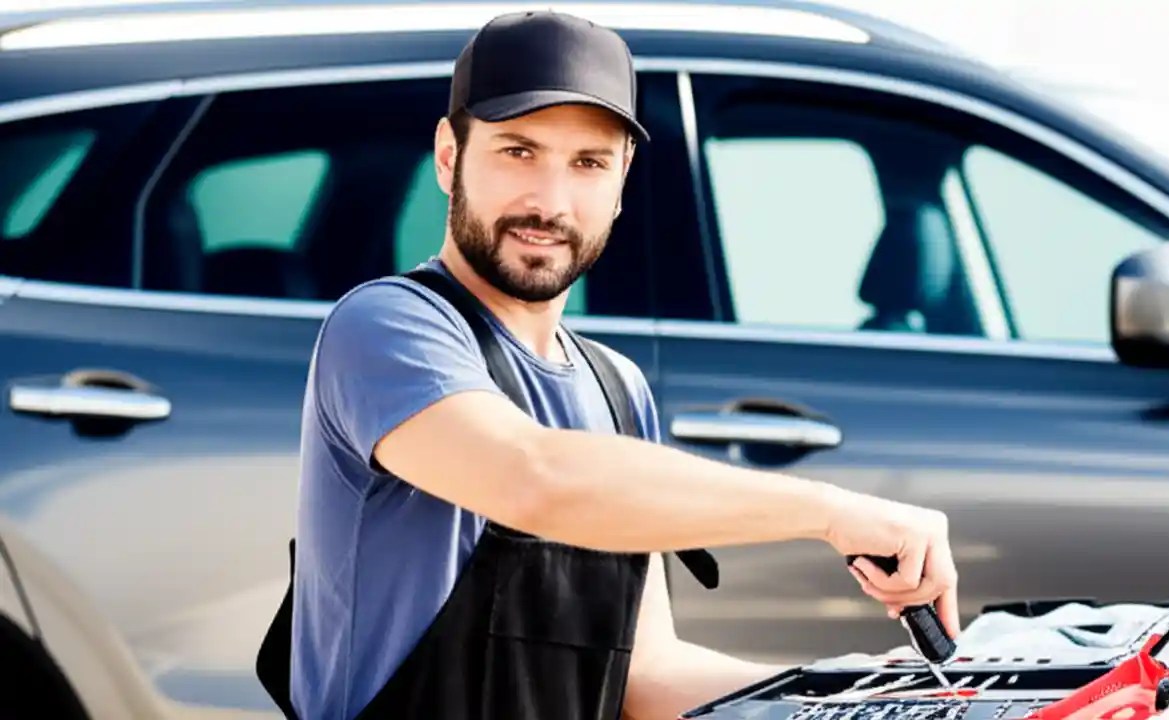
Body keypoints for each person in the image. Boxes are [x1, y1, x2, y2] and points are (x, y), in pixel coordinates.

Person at [261, 9, 960, 720]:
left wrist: (846, 695)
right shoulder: (388, 327)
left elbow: (646, 673)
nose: (550, 201)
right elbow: (530, 478)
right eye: (517, 151)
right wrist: (833, 513)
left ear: (622, 181)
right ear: (449, 157)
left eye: (588, 163)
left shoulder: (617, 391)